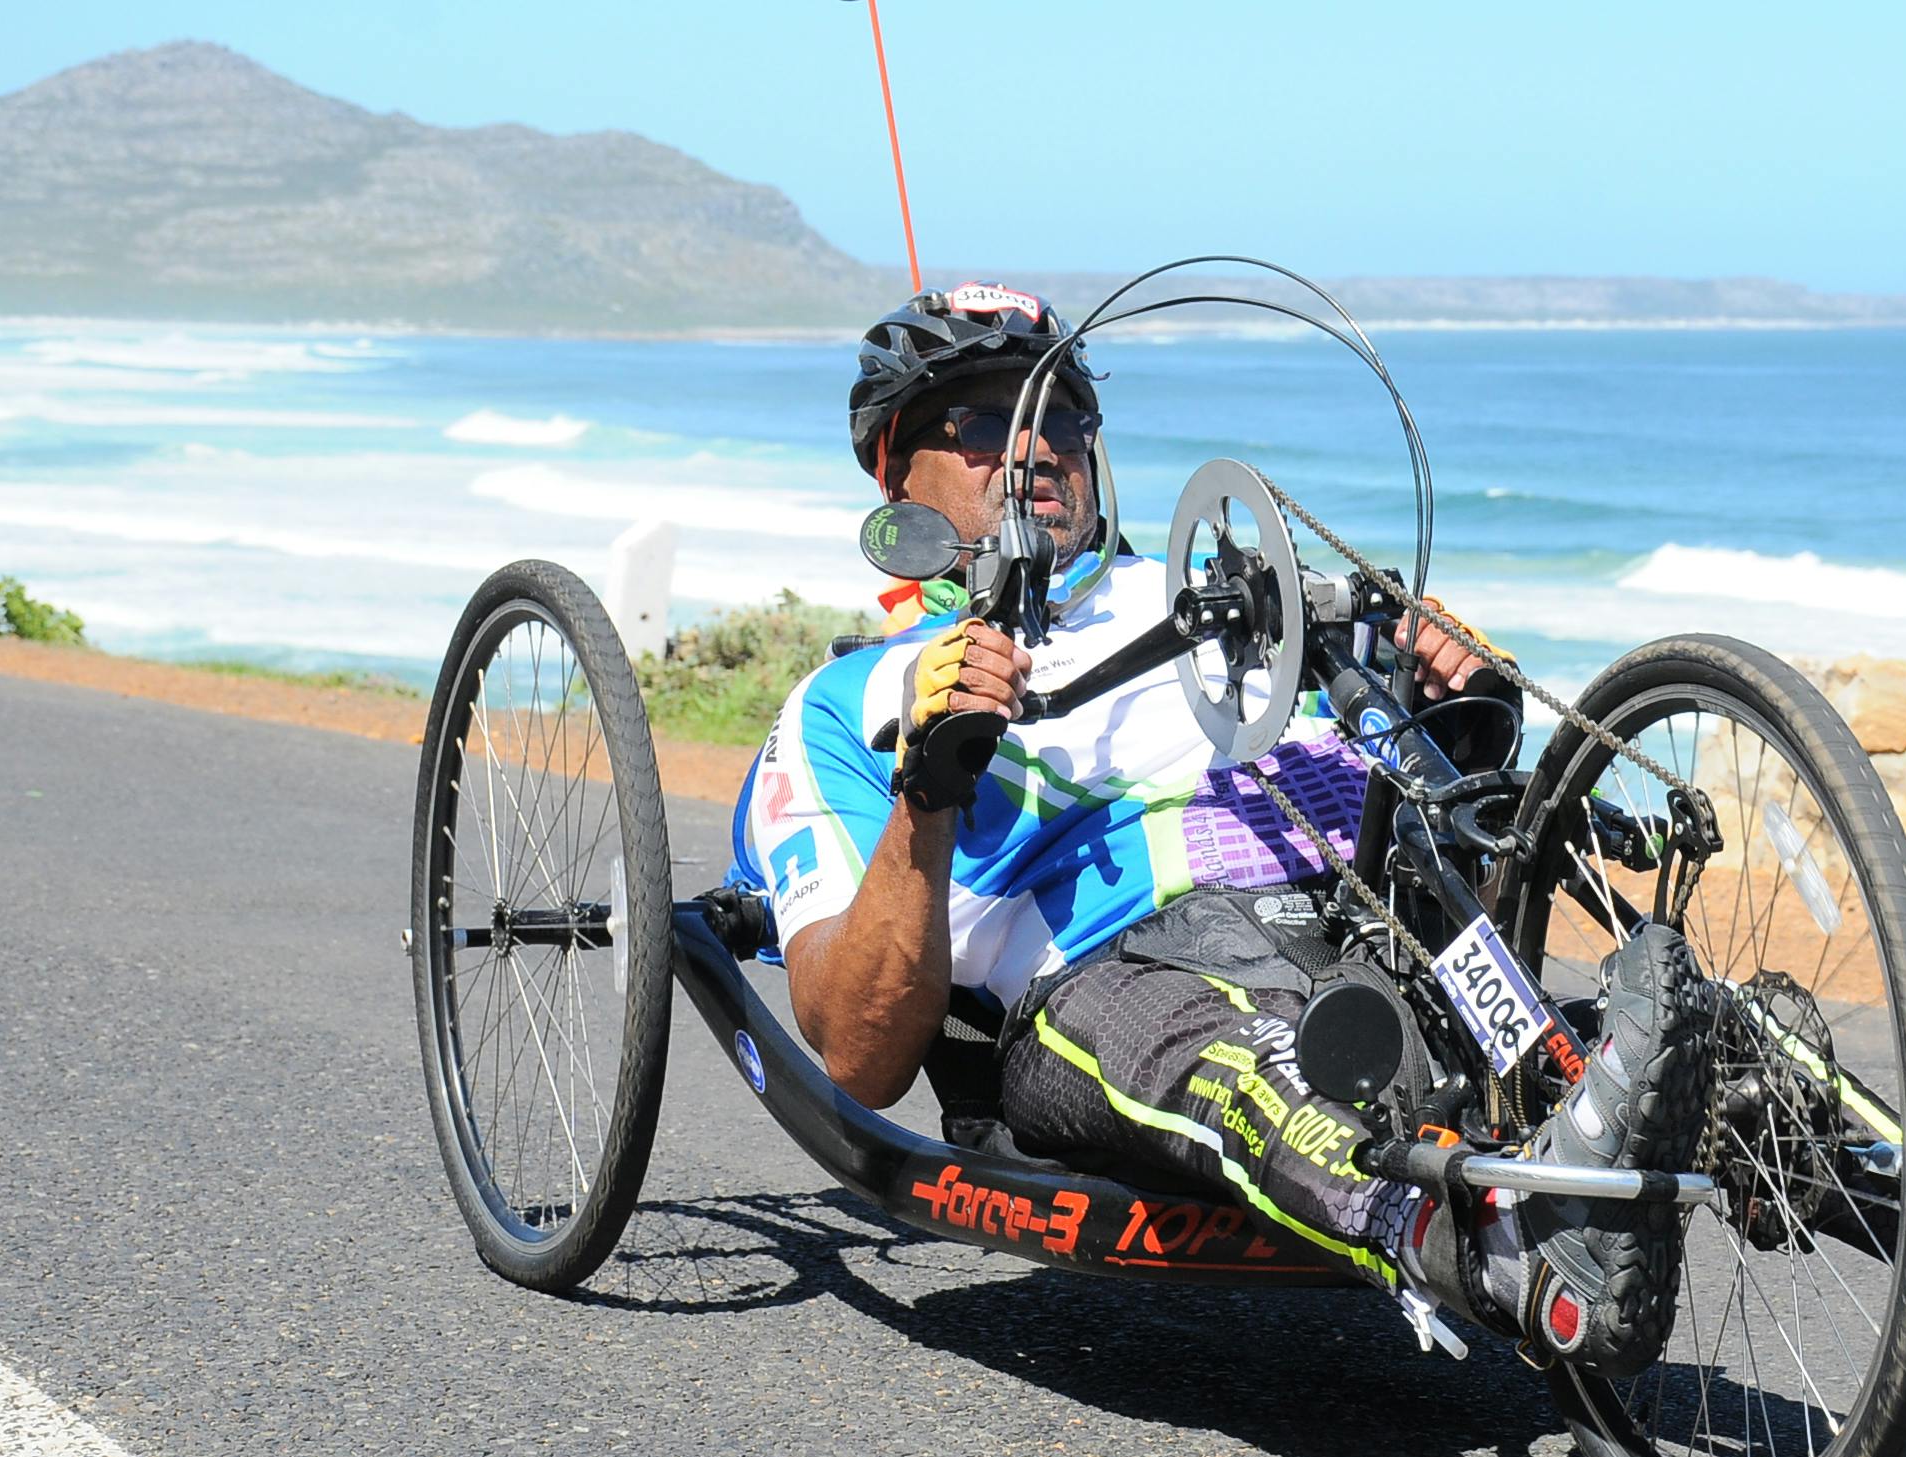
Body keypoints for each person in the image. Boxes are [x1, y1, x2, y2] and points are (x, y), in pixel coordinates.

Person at [728, 285, 1712, 1368]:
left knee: (1667, 1045)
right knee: (1248, 1062)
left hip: (1374, 929)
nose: (1035, 448)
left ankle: (1820, 1143)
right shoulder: (848, 702)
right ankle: (1497, 1252)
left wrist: (1452, 695)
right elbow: (857, 1049)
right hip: (1117, 972)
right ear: (893, 474)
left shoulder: (1230, 599)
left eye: (1063, 417)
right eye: (980, 424)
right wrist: (929, 782)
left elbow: (1426, 792)